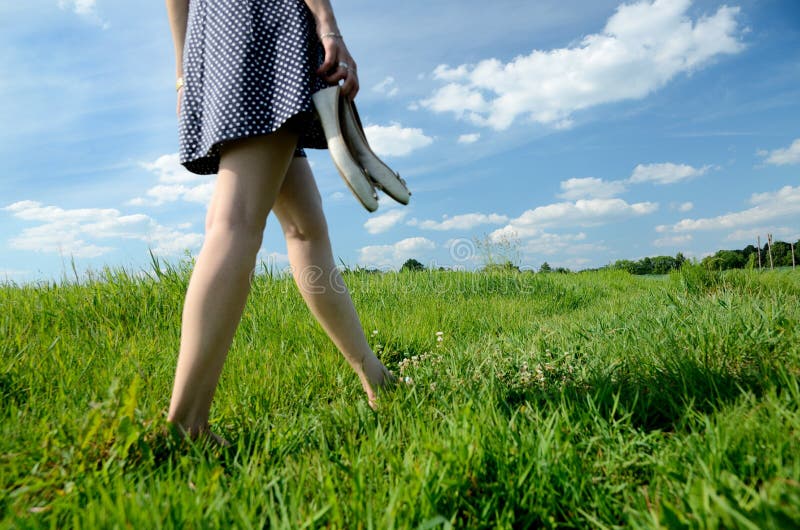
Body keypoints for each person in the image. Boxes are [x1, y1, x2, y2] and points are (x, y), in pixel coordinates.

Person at [164, 0, 395, 441]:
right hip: (265, 25)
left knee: (306, 226)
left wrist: (183, 73)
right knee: (235, 221)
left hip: (216, 37)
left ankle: (377, 379)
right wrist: (328, 27)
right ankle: (185, 426)